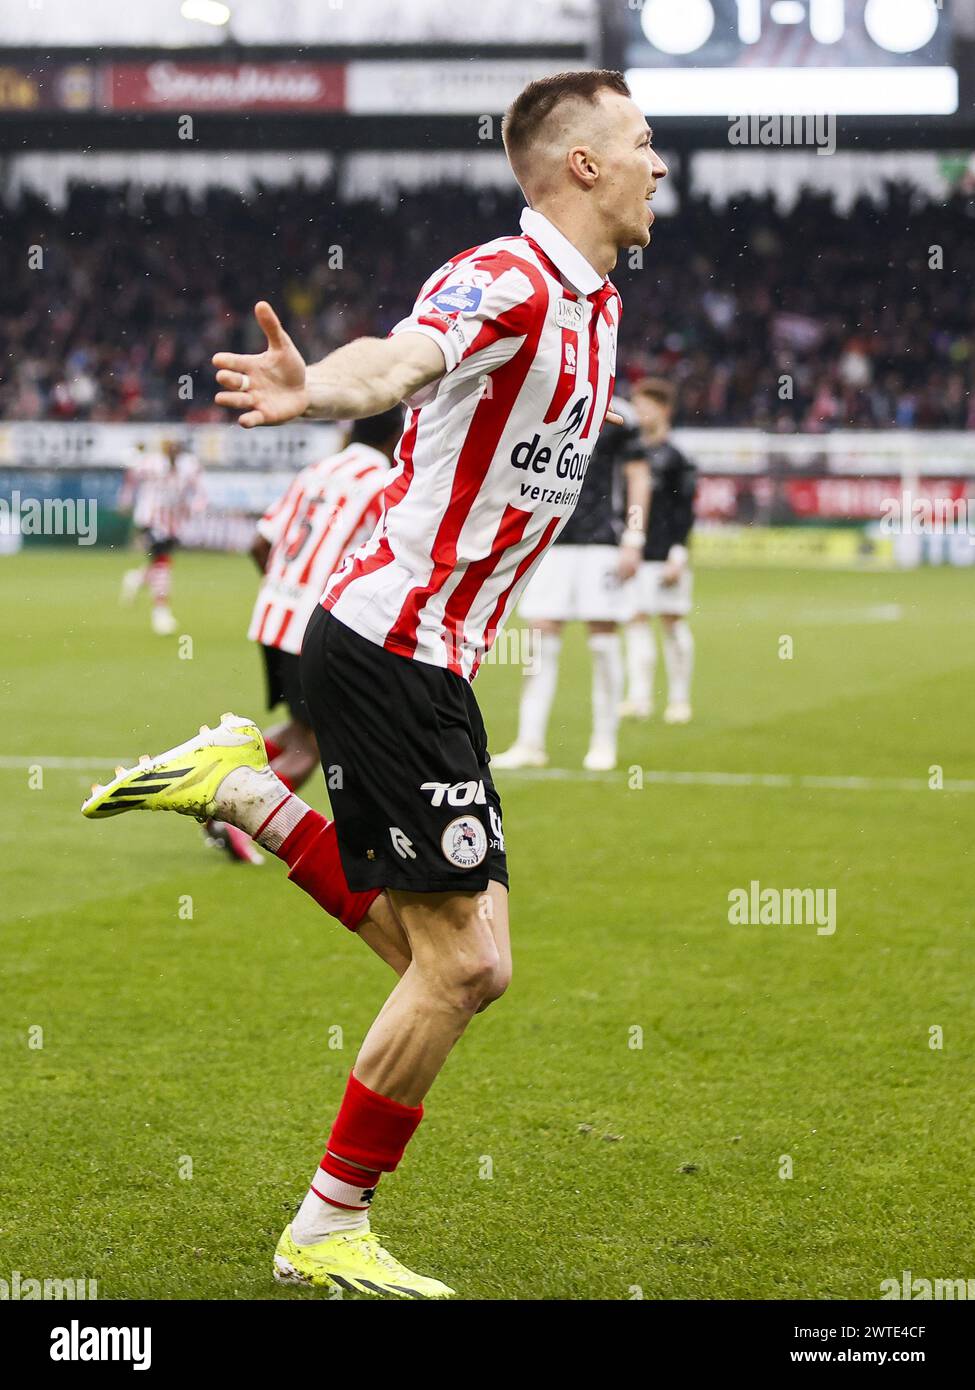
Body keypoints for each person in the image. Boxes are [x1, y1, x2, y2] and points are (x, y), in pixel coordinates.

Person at [83, 69, 668, 1299]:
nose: (660, 164)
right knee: (460, 969)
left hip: (428, 656)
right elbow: (401, 357)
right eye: (643, 143)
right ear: (581, 164)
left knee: (470, 963)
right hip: (391, 646)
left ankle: (249, 797)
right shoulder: (504, 279)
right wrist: (316, 391)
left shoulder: (600, 303)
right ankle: (326, 1225)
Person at [206, 408, 403, 865]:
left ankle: (220, 773)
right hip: (317, 630)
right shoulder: (382, 482)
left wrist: (285, 593)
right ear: (397, 433)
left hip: (274, 614)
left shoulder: (316, 470)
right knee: (318, 743)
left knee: (302, 726)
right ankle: (235, 819)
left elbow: (259, 543)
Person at [493, 395, 649, 770]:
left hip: (601, 542)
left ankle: (604, 740)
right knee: (539, 639)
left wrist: (635, 535)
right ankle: (530, 741)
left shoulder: (620, 414)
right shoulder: (546, 394)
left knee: (602, 640)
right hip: (549, 540)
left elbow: (638, 476)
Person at [621, 378, 697, 724]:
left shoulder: (677, 457)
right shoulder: (631, 452)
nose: (638, 413)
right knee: (635, 622)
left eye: (644, 407)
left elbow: (686, 510)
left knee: (671, 622)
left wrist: (679, 552)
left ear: (664, 410)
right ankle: (639, 697)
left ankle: (680, 699)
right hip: (637, 554)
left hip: (666, 554)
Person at [119, 438, 206, 635]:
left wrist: (194, 509)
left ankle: (136, 578)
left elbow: (201, 493)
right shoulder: (152, 463)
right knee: (163, 563)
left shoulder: (190, 467)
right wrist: (125, 499)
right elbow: (131, 475)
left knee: (160, 564)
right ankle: (161, 611)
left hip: (174, 524)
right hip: (150, 520)